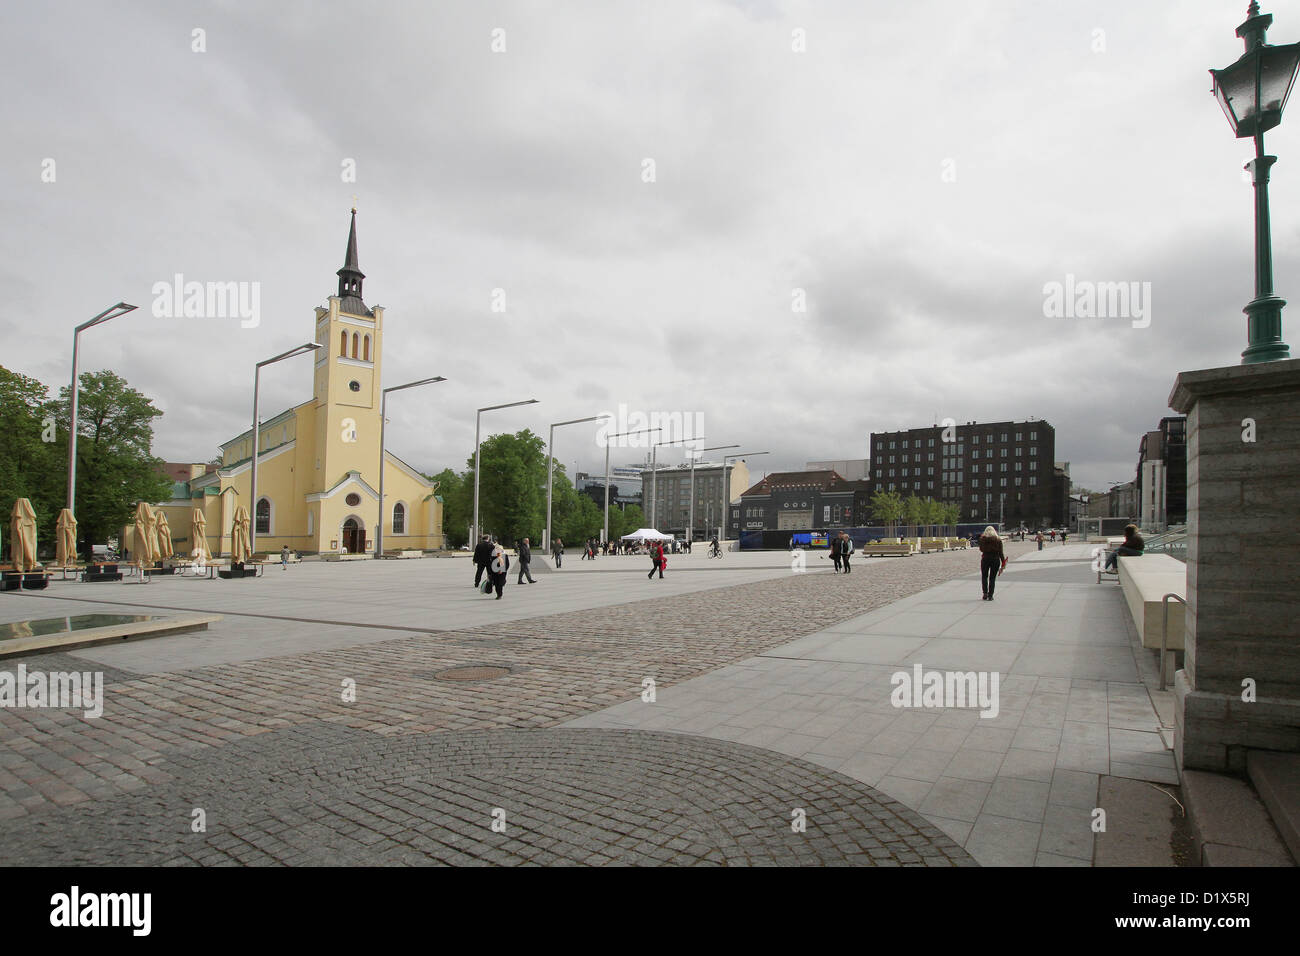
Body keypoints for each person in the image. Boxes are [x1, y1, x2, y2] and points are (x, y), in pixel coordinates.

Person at [979, 525, 1005, 601]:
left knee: (984, 576)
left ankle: (985, 593)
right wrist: (1003, 562)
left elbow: (981, 549)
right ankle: (990, 595)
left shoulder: (982, 539)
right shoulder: (998, 540)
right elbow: (1001, 552)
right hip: (995, 559)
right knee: (992, 578)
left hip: (985, 559)